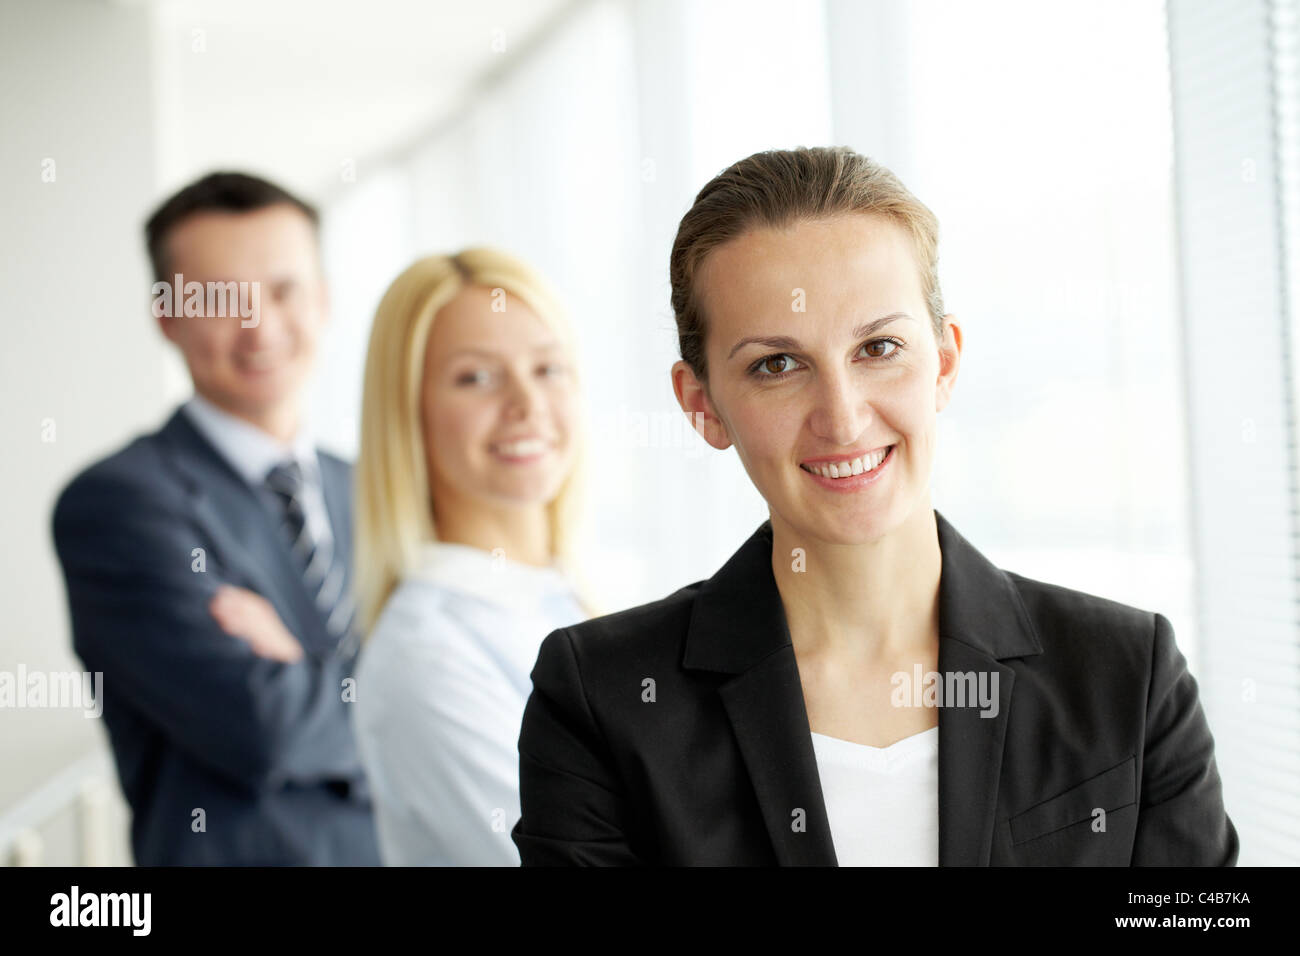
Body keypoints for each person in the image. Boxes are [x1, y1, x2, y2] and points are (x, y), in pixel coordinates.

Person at [512, 146, 1239, 866]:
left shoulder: (1125, 678)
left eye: (879, 347)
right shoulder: (601, 702)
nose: (842, 417)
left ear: (944, 364)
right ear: (703, 405)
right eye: (777, 364)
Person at [51, 171, 381, 866]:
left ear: (322, 300)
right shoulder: (117, 504)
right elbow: (265, 727)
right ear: (166, 314)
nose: (258, 325)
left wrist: (308, 671)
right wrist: (384, 688)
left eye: (284, 290)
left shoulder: (370, 486)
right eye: (221, 298)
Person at [352, 249, 593, 866]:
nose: (526, 404)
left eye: (547, 368)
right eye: (476, 377)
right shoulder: (426, 658)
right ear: (408, 414)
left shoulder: (570, 597)